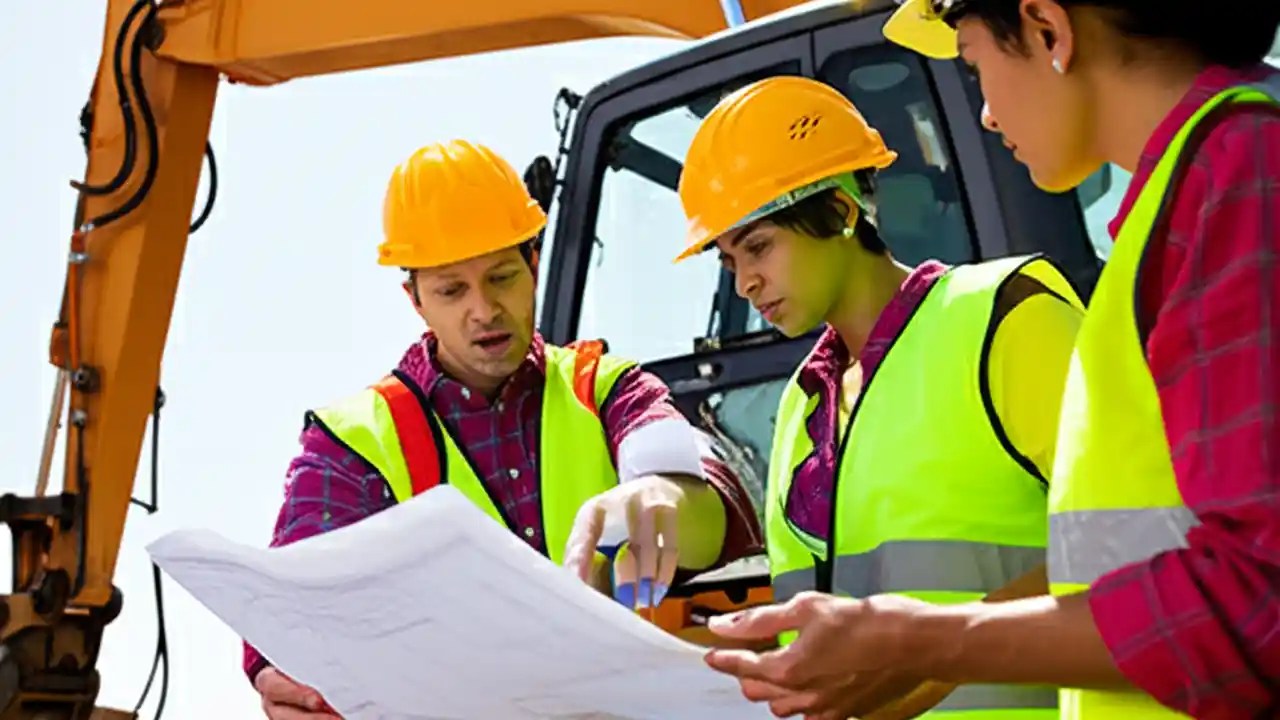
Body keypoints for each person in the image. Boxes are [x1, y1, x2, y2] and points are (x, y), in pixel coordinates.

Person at [700, 2, 1280, 719]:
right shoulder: (1177, 212)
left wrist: (921, 643)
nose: (984, 115)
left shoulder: (1240, 177)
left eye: (972, 63)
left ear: (1046, 29)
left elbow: (1257, 601)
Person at [246, 139, 763, 719]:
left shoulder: (608, 389)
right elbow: (288, 605)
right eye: (451, 290)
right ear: (414, 300)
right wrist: (274, 670)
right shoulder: (352, 441)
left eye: (501, 277)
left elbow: (707, 506)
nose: (484, 309)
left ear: (535, 265)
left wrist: (665, 497)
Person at [671, 74, 1086, 718]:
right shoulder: (800, 410)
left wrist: (927, 662)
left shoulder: (1005, 319)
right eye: (728, 261)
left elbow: (1139, 559)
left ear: (840, 211)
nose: (747, 281)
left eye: (758, 246)